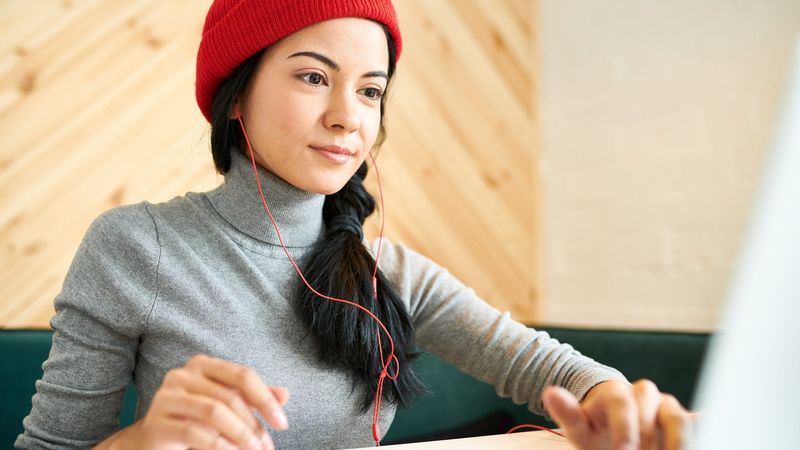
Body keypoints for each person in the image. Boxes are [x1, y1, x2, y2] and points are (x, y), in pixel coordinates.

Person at [15, 1, 691, 449]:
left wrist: (615, 406)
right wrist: (144, 440)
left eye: (370, 89)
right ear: (236, 94)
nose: (349, 116)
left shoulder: (389, 273)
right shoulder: (137, 246)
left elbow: (550, 367)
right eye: (314, 77)